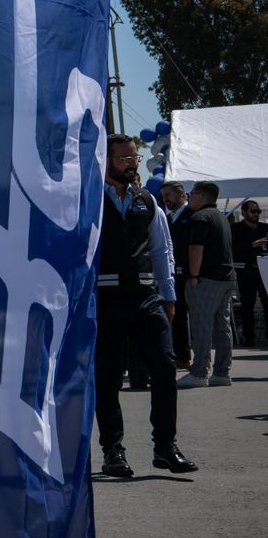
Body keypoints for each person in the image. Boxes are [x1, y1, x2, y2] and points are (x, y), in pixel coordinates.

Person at [95, 134, 195, 477]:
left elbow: (161, 250)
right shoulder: (87, 199)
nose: (131, 164)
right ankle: (113, 450)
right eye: (123, 158)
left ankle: (165, 447)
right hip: (104, 301)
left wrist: (169, 297)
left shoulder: (147, 200)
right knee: (107, 378)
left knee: (166, 369)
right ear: (105, 160)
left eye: (134, 158)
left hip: (146, 298)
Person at [179, 182, 236, 389]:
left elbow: (196, 249)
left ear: (200, 196)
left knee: (201, 325)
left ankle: (199, 372)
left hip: (206, 278)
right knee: (223, 326)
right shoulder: (221, 217)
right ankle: (222, 372)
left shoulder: (199, 217)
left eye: (191, 194)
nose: (188, 198)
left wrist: (193, 275)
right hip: (226, 277)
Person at [160, 181, 190, 368]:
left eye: (168, 195)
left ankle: (186, 357)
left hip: (190, 274)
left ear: (180, 193)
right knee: (176, 317)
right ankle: (181, 355)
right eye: (163, 197)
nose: (165, 200)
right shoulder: (168, 218)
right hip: (174, 274)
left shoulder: (192, 215)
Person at [231, 200, 265, 347]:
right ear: (244, 213)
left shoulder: (265, 228)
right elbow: (232, 248)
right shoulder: (236, 229)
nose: (256, 214)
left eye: (258, 211)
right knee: (247, 304)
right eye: (253, 211)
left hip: (264, 270)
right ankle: (248, 336)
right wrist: (252, 245)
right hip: (246, 271)